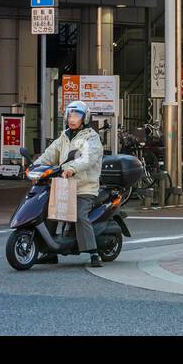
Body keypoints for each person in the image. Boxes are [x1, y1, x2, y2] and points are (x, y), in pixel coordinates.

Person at [38, 100, 105, 267]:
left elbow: (88, 158)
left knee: (80, 215)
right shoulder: (64, 136)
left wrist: (72, 168)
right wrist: (35, 166)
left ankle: (93, 253)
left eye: (76, 115)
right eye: (70, 115)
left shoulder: (92, 137)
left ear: (85, 118)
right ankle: (49, 251)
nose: (72, 118)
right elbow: (49, 154)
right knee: (49, 211)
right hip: (64, 185)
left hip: (84, 187)